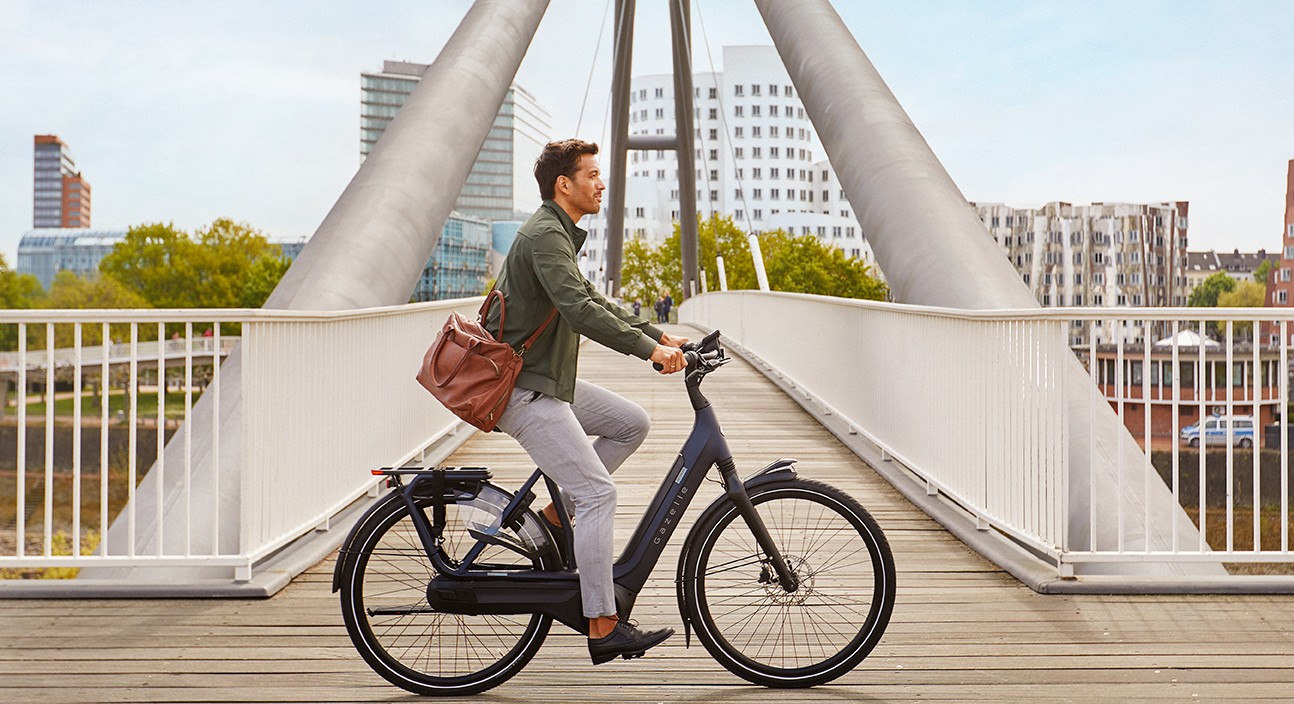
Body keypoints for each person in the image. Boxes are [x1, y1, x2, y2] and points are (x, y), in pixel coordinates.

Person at [485, 139, 688, 665]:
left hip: (547, 380)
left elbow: (593, 299)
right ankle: (602, 623)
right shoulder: (547, 235)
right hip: (526, 389)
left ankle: (554, 515)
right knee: (598, 495)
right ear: (564, 185)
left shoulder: (557, 232)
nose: (601, 184)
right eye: (593, 175)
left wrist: (660, 337)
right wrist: (649, 353)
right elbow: (578, 310)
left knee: (630, 423)